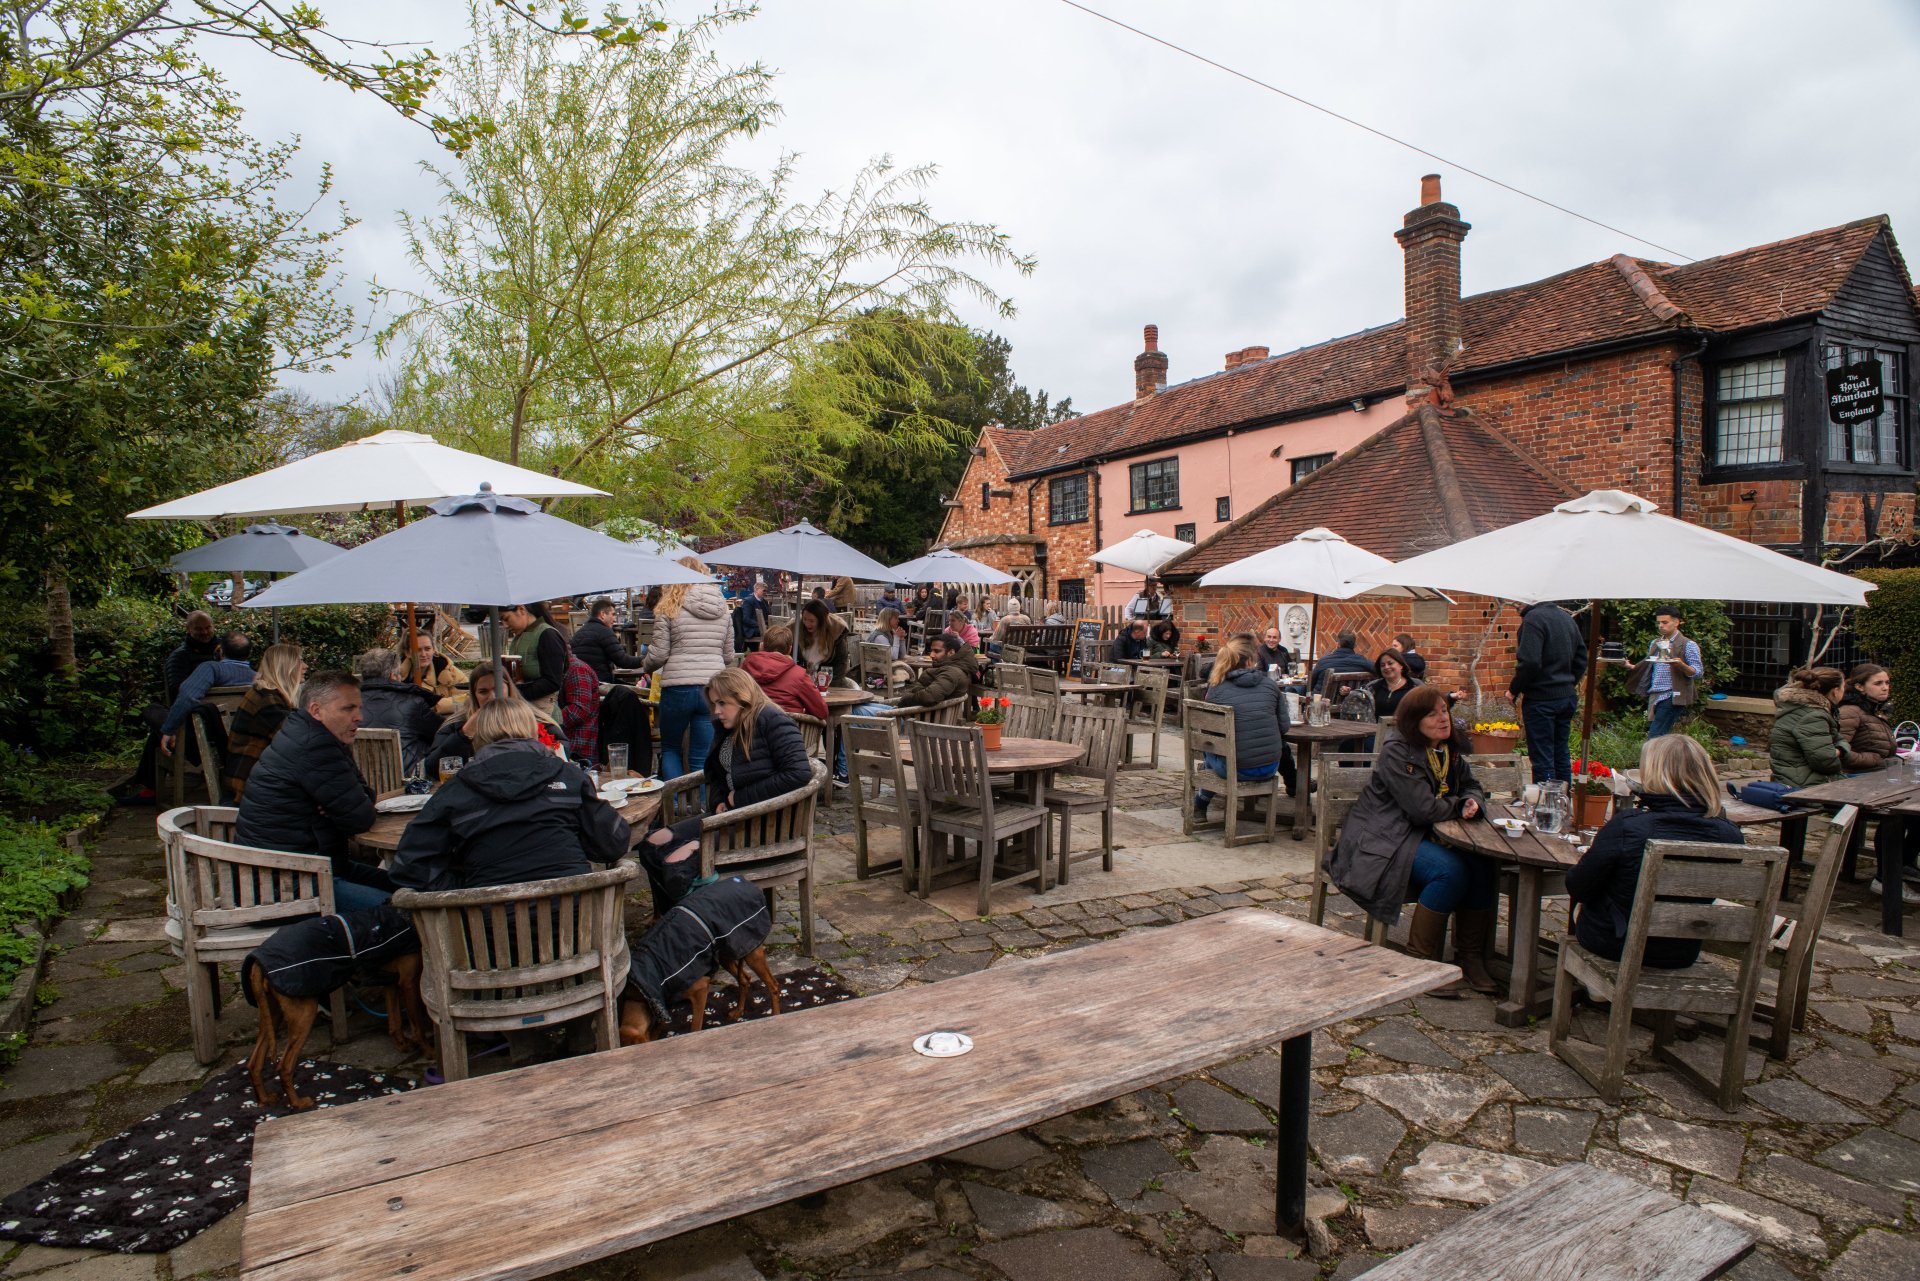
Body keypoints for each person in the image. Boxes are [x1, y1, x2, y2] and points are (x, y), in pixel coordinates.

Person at [1323, 685, 1494, 997]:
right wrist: (1458, 806)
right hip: (1383, 838)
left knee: (1484, 864)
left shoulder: (1448, 749)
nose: (1443, 718)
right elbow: (1421, 810)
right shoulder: (1398, 752)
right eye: (1432, 714)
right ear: (1414, 721)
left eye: (1444, 710)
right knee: (1450, 871)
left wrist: (1472, 801)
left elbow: (1471, 784)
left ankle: (1469, 957)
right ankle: (1421, 960)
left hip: (1423, 834)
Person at [389, 699, 630, 893]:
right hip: (579, 927)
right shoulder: (567, 776)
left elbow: (409, 866)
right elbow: (613, 842)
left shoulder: (458, 788)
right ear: (532, 730)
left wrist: (463, 891)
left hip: (489, 935)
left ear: (479, 736)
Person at [636, 668, 813, 913]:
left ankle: (700, 926)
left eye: (722, 703)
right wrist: (720, 799)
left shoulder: (773, 719)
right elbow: (719, 774)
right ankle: (666, 919)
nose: (716, 712)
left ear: (742, 698)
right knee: (650, 844)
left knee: (677, 865)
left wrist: (739, 798)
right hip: (731, 816)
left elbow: (799, 773)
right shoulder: (729, 726)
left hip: (766, 823)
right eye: (713, 704)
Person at [1567, 735, 1742, 968]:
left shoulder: (1629, 826)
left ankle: (1595, 986)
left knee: (1587, 900)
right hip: (1681, 951)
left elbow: (1578, 886)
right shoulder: (1730, 836)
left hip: (1616, 945)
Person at [234, 671, 393, 911]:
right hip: (285, 887)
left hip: (307, 869)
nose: (359, 717)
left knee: (408, 885)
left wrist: (339, 807)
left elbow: (364, 795)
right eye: (348, 709)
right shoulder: (314, 745)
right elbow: (359, 818)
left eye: (359, 708)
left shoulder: (310, 732)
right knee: (404, 910)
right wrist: (348, 805)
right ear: (316, 710)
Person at [644, 556, 735, 779]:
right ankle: (700, 805)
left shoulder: (668, 607)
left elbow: (659, 654)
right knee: (701, 754)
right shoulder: (721, 607)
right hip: (711, 688)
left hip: (677, 687)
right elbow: (729, 655)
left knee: (671, 749)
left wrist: (644, 665)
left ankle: (674, 805)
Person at [1191, 636, 1297, 821]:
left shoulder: (1216, 689)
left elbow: (1209, 734)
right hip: (1269, 767)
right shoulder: (1271, 686)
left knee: (1212, 751)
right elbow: (1284, 727)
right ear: (1251, 660)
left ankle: (1200, 804)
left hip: (1232, 768)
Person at [1509, 601, 1587, 783]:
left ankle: (1546, 806)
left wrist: (1513, 690)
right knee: (1560, 753)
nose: (1514, 604)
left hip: (1541, 699)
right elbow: (1581, 659)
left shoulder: (1533, 619)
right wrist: (1566, 683)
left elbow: (1530, 662)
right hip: (1566, 696)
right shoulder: (1566, 618)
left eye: (1517, 601)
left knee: (1542, 756)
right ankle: (1563, 802)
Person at [424, 666, 564, 764]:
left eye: (497, 689)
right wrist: (464, 734)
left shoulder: (532, 717)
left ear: (509, 689)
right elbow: (433, 766)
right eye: (483, 692)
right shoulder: (457, 723)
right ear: (474, 695)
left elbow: (563, 748)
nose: (492, 697)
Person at [223, 643, 306, 802]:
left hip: (255, 778)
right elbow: (296, 739)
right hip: (250, 789)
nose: (305, 666)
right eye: (300, 661)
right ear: (286, 667)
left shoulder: (265, 694)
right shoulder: (266, 700)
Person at [158, 630, 255, 758]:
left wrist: (169, 730)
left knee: (153, 711)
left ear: (220, 651)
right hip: (242, 738)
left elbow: (188, 696)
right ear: (249, 653)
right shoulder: (258, 677)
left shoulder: (211, 669)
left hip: (205, 738)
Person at [354, 648, 442, 772]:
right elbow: (440, 734)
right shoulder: (413, 701)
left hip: (361, 779)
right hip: (407, 780)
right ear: (393, 676)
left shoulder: (348, 705)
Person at [1625, 606, 1702, 739]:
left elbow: (1698, 672)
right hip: (1655, 695)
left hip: (1672, 695)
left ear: (1676, 622)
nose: (1660, 626)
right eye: (1659, 622)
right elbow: (1647, 665)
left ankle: (1652, 760)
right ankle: (1667, 759)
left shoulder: (1688, 644)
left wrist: (1681, 664)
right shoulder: (1655, 643)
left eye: (1664, 622)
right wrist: (1628, 666)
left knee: (1655, 737)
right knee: (1658, 737)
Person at [1770, 666, 1848, 789]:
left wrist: (1838, 749)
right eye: (1844, 687)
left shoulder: (1801, 707)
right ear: (1835, 691)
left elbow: (1837, 741)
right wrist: (1841, 751)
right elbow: (1825, 761)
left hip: (1796, 779)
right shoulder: (1813, 715)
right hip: (1805, 787)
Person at [742, 624, 829, 719]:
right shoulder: (799, 675)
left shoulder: (746, 666)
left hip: (750, 729)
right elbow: (822, 712)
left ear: (762, 646)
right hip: (787, 729)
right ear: (790, 649)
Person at [501, 601, 571, 711]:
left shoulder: (547, 635)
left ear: (521, 609)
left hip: (544, 712)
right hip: (524, 710)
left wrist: (516, 693)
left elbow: (552, 681)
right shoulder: (519, 636)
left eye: (506, 618)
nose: (505, 625)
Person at [571, 598, 642, 683]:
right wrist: (644, 660)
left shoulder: (578, 633)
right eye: (613, 614)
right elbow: (623, 661)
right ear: (603, 614)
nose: (615, 619)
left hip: (581, 683)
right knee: (631, 693)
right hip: (600, 684)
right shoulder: (604, 631)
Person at [896, 632, 973, 708]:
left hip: (923, 718)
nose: (931, 655)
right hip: (923, 714)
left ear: (951, 652)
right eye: (931, 651)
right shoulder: (949, 668)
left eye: (937, 651)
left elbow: (928, 697)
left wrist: (904, 700)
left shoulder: (952, 672)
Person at [403, 632, 465, 716]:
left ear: (433, 650)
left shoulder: (448, 671)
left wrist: (438, 705)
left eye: (427, 649)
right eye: (418, 650)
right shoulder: (396, 676)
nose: (423, 654)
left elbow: (468, 698)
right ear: (407, 653)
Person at [797, 599, 855, 686]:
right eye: (805, 619)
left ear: (821, 621)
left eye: (812, 621)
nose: (807, 624)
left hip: (829, 686)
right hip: (802, 684)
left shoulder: (836, 634)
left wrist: (827, 689)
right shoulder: (797, 631)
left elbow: (840, 666)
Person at [558, 650, 601, 763]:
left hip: (579, 749)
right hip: (568, 745)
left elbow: (578, 711)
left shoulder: (577, 669)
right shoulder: (565, 667)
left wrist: (547, 719)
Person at [1366, 648, 1423, 720]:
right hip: (1376, 729)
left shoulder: (1414, 686)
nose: (1386, 667)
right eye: (1382, 665)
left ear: (1401, 665)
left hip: (1405, 729)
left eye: (1390, 663)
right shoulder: (1373, 687)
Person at [1309, 629, 1373, 694]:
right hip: (1350, 701)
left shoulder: (1323, 661)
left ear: (1338, 644)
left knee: (1300, 689)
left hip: (1321, 702)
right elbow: (1377, 668)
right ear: (1354, 646)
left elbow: (1310, 684)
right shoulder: (1362, 661)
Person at [734, 579, 770, 649]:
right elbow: (746, 619)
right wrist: (760, 624)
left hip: (761, 628)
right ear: (756, 589)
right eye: (764, 590)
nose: (765, 592)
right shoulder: (748, 601)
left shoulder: (765, 602)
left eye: (766, 591)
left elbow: (767, 617)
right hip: (751, 629)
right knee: (771, 635)